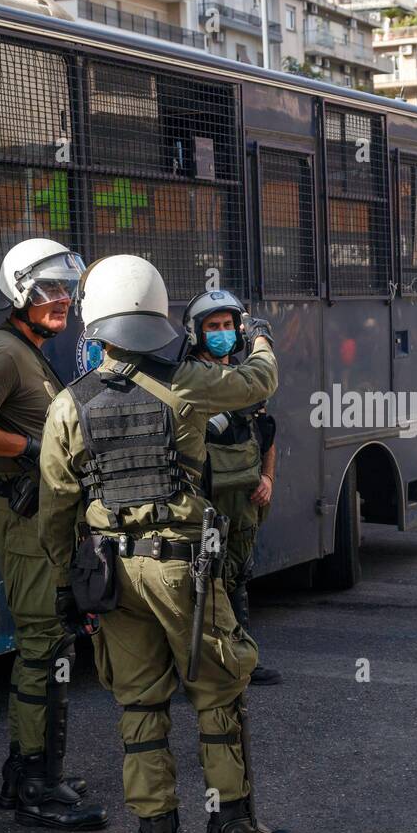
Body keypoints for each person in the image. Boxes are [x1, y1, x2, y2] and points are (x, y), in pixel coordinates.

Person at [38, 255, 294, 833]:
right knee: (217, 692)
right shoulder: (187, 382)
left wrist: (72, 583)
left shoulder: (68, 405)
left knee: (140, 705)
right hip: (184, 572)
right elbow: (259, 381)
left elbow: (54, 513)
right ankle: (231, 829)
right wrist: (258, 335)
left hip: (111, 575)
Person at [0, 238, 107, 830]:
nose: (61, 300)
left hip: (42, 521)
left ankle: (25, 774)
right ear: (20, 294)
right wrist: (32, 450)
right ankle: (39, 786)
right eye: (49, 290)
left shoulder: (31, 350)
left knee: (53, 640)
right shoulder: (3, 352)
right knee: (44, 645)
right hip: (26, 519)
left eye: (66, 289)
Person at [181, 289, 280, 685]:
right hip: (207, 501)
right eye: (212, 327)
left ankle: (241, 660)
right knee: (206, 580)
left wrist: (269, 478)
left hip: (244, 498)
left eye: (227, 326)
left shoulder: (244, 380)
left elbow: (267, 436)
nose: (221, 333)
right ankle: (203, 665)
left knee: (239, 577)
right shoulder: (190, 380)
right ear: (197, 333)